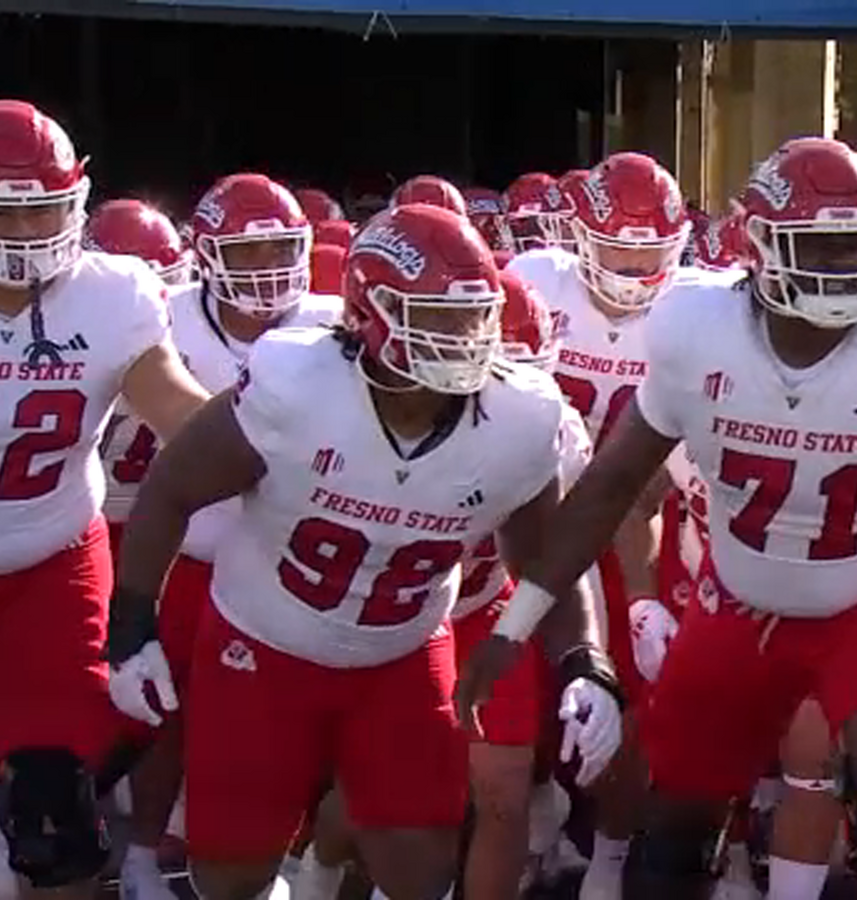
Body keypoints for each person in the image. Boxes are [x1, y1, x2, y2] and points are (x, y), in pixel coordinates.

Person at [461, 136, 857, 900]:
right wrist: (517, 626)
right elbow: (614, 483)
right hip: (741, 592)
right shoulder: (696, 324)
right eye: (822, 244)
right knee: (673, 837)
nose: (845, 266)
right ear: (760, 245)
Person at [104, 202, 620, 900]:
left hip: (400, 655)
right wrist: (133, 626)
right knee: (231, 872)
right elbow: (169, 489)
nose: (464, 337)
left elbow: (545, 563)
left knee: (420, 862)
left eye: (474, 317)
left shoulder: (523, 418)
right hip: (262, 647)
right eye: (435, 315)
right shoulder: (297, 383)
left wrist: (585, 662)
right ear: (368, 313)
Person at [0, 98, 210, 900]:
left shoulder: (113, 292)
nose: (25, 236)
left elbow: (181, 417)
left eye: (45, 211)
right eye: (0, 212)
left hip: (50, 565)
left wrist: (288, 445)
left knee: (54, 803)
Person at [100, 174, 342, 900]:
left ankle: (288, 859)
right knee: (160, 716)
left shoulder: (333, 323)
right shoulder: (165, 320)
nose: (267, 268)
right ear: (205, 256)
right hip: (189, 553)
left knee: (291, 728)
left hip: (289, 565)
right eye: (248, 251)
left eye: (280, 248)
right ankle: (142, 853)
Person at [504, 150, 701, 900]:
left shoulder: (693, 307)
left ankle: (610, 861)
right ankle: (535, 817)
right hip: (531, 511)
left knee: (627, 699)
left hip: (631, 520)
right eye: (618, 245)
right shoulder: (530, 283)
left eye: (650, 251)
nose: (631, 267)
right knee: (519, 689)